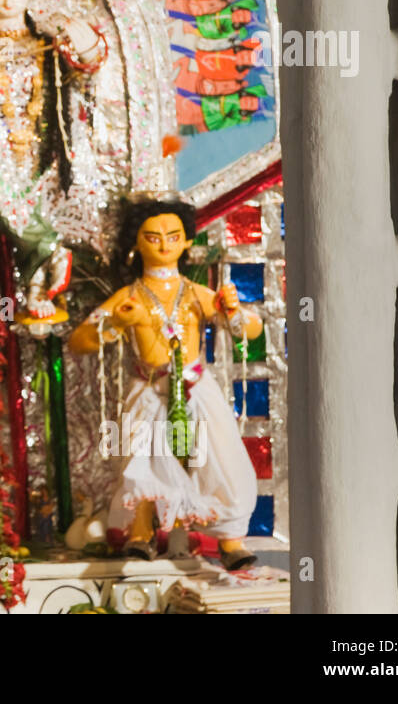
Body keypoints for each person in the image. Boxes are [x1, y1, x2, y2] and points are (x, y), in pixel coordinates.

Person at [67, 197, 259, 571]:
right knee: (143, 464)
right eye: (152, 237)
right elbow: (79, 340)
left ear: (187, 242)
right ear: (135, 244)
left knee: (220, 460)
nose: (164, 244)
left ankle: (230, 540)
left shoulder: (196, 294)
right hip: (149, 391)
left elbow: (251, 329)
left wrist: (233, 311)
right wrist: (120, 323)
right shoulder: (130, 296)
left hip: (196, 389)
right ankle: (140, 534)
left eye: (174, 236)